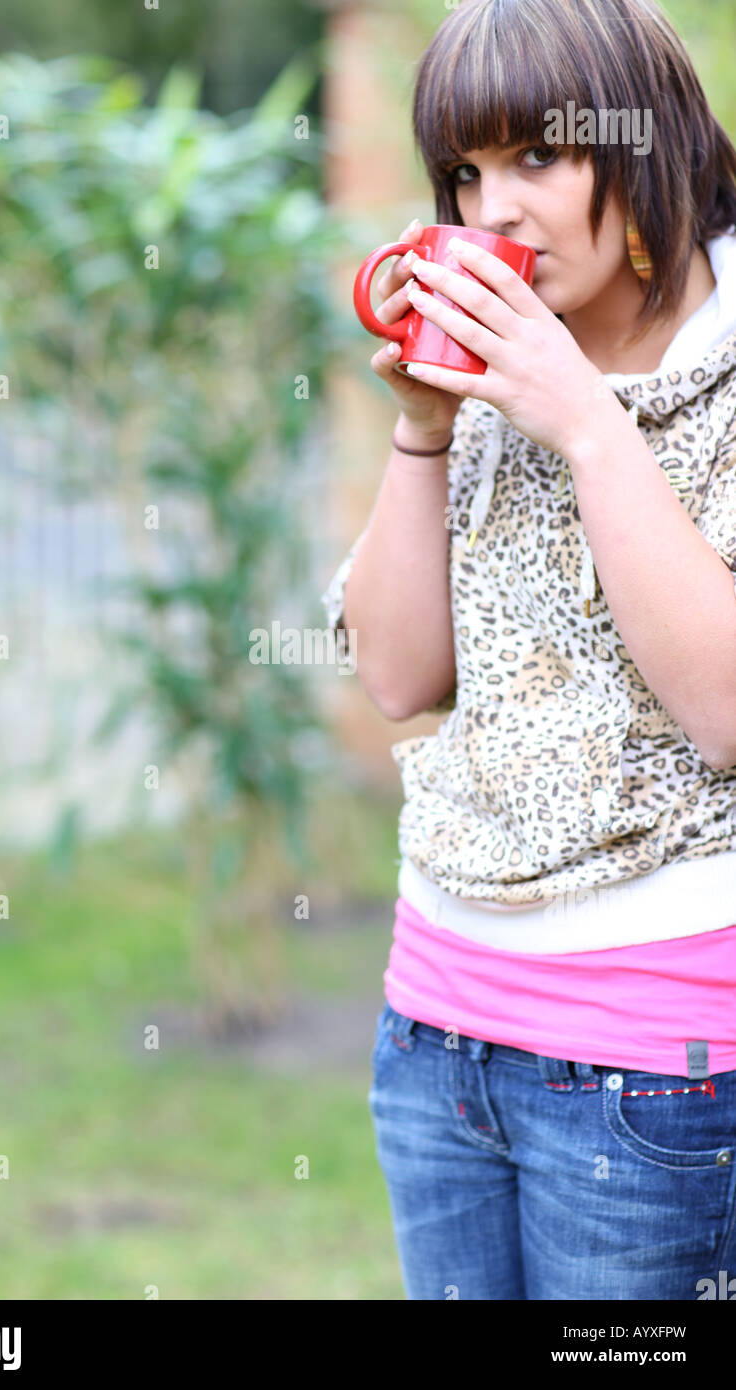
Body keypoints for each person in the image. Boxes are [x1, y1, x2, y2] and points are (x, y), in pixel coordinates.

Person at [320, 0, 736, 1301]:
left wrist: (583, 423)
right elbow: (398, 677)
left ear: (649, 146)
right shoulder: (492, 364)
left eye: (535, 158)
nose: (489, 211)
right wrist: (423, 424)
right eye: (462, 173)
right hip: (436, 1022)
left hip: (652, 1061)